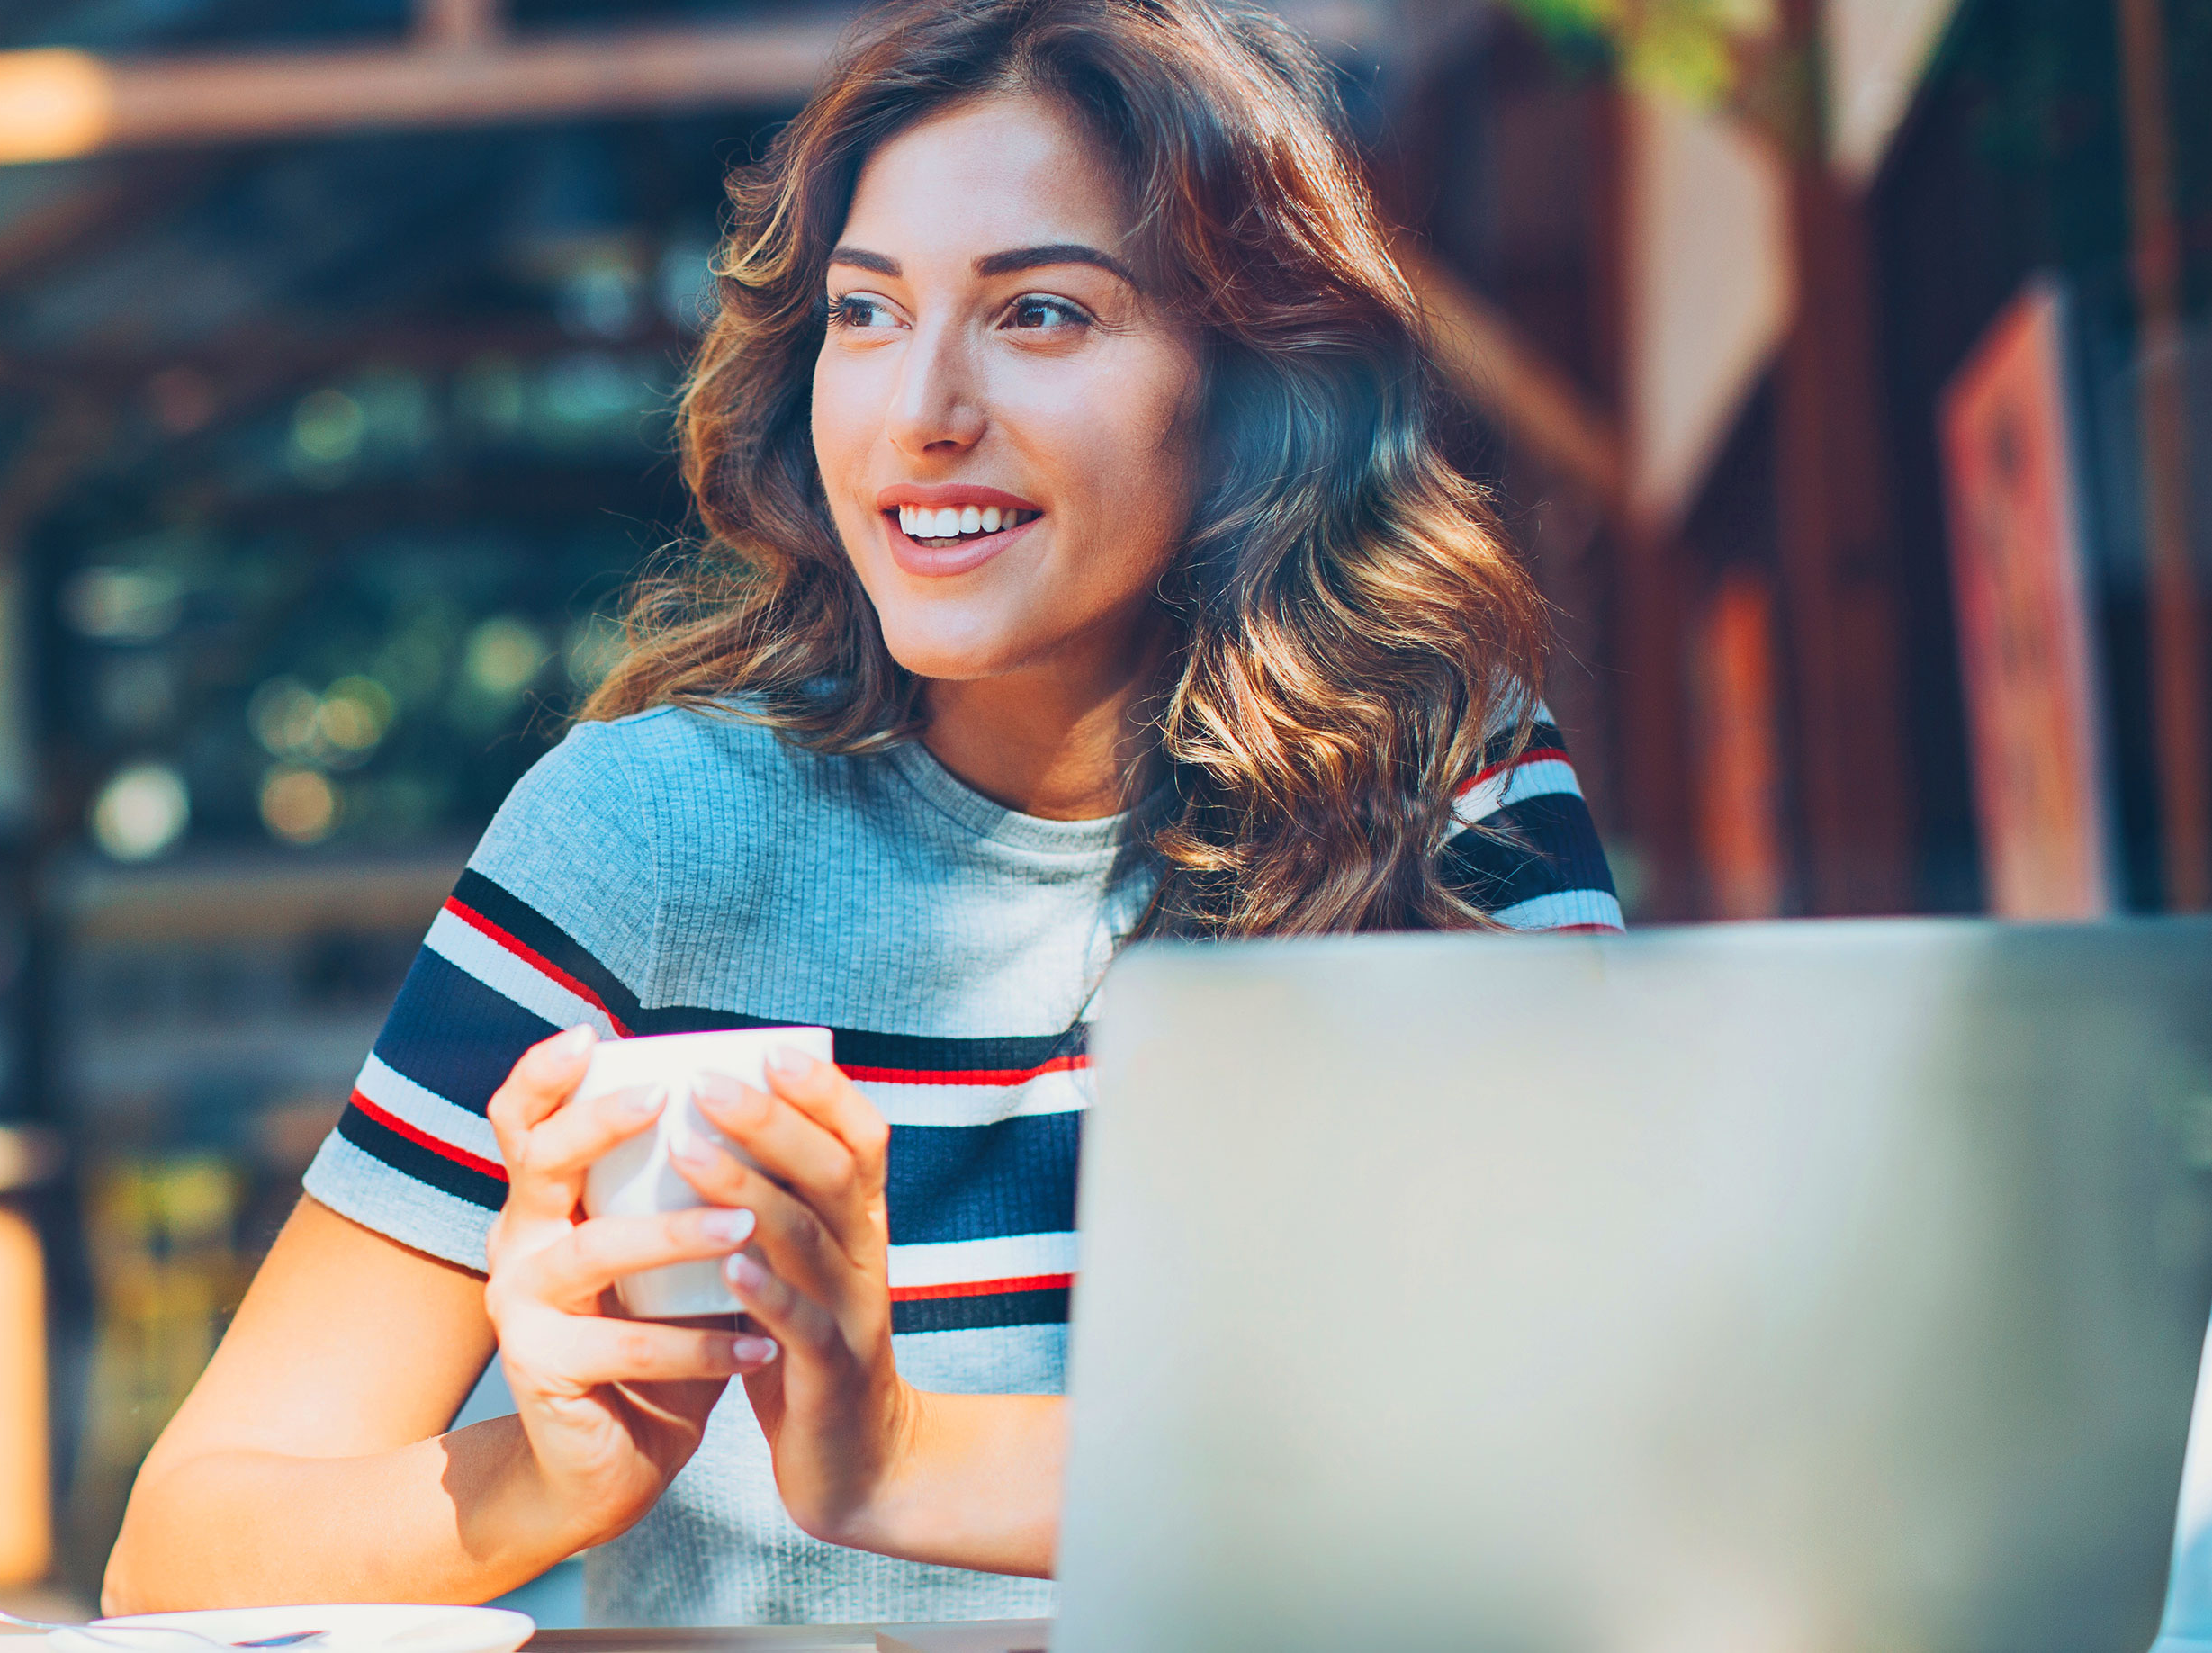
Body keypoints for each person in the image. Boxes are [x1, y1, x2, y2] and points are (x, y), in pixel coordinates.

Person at [109, 0, 1621, 1625]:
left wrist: (901, 1455)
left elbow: (1595, 1451)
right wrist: (550, 1474)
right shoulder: (639, 838)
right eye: (865, 312)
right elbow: (176, 1556)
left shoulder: (1441, 778)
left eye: (1038, 312)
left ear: (1250, 382)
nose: (919, 413)